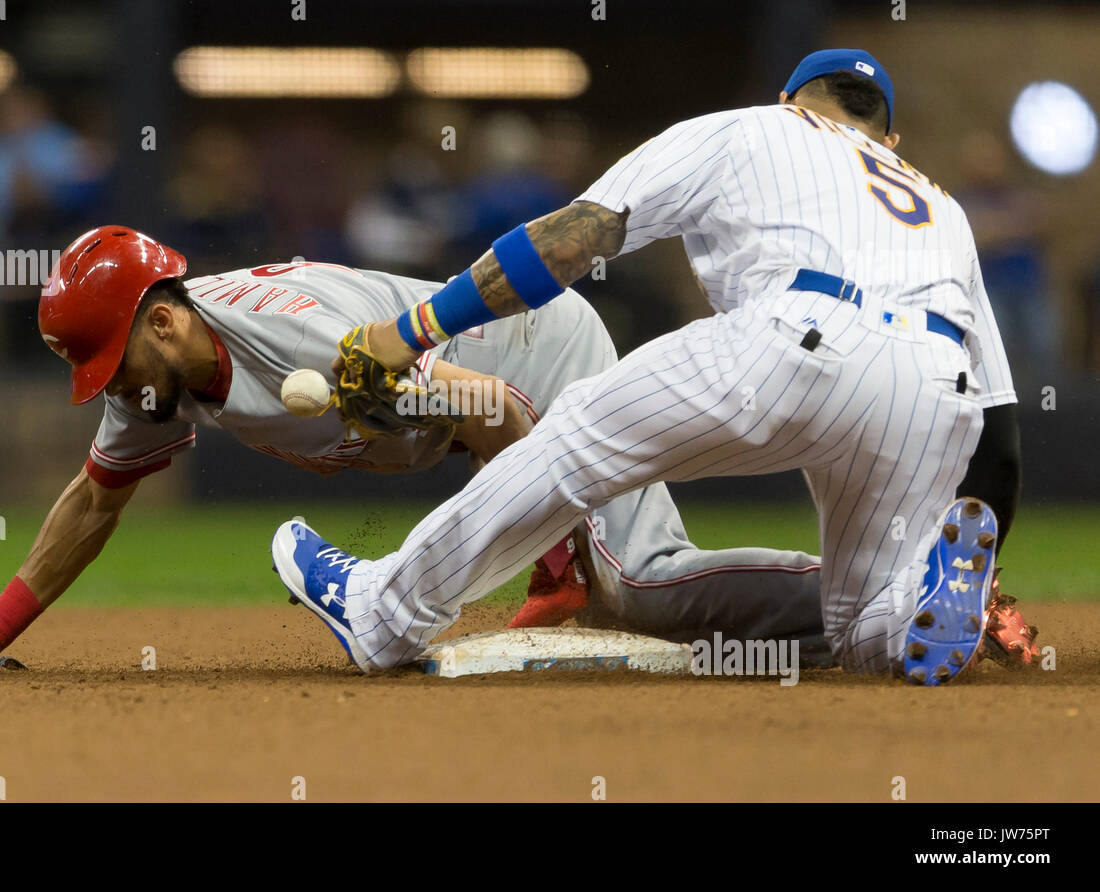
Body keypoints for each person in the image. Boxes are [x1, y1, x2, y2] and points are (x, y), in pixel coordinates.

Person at [269, 49, 1036, 684]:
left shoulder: (754, 127)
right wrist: (989, 552)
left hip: (801, 332)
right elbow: (1000, 433)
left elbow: (570, 241)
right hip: (938, 391)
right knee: (863, 633)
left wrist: (413, 331)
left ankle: (381, 612)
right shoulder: (944, 208)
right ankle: (920, 609)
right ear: (889, 141)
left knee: (573, 438)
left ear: (791, 98)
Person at [0, 225, 829, 674]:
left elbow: (495, 409)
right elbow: (91, 502)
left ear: (167, 319)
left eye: (113, 362)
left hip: (544, 354)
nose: (111, 389)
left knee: (643, 584)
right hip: (475, 400)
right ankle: (845, 616)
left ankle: (883, 598)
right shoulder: (161, 376)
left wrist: (558, 547)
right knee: (621, 587)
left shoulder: (306, 345)